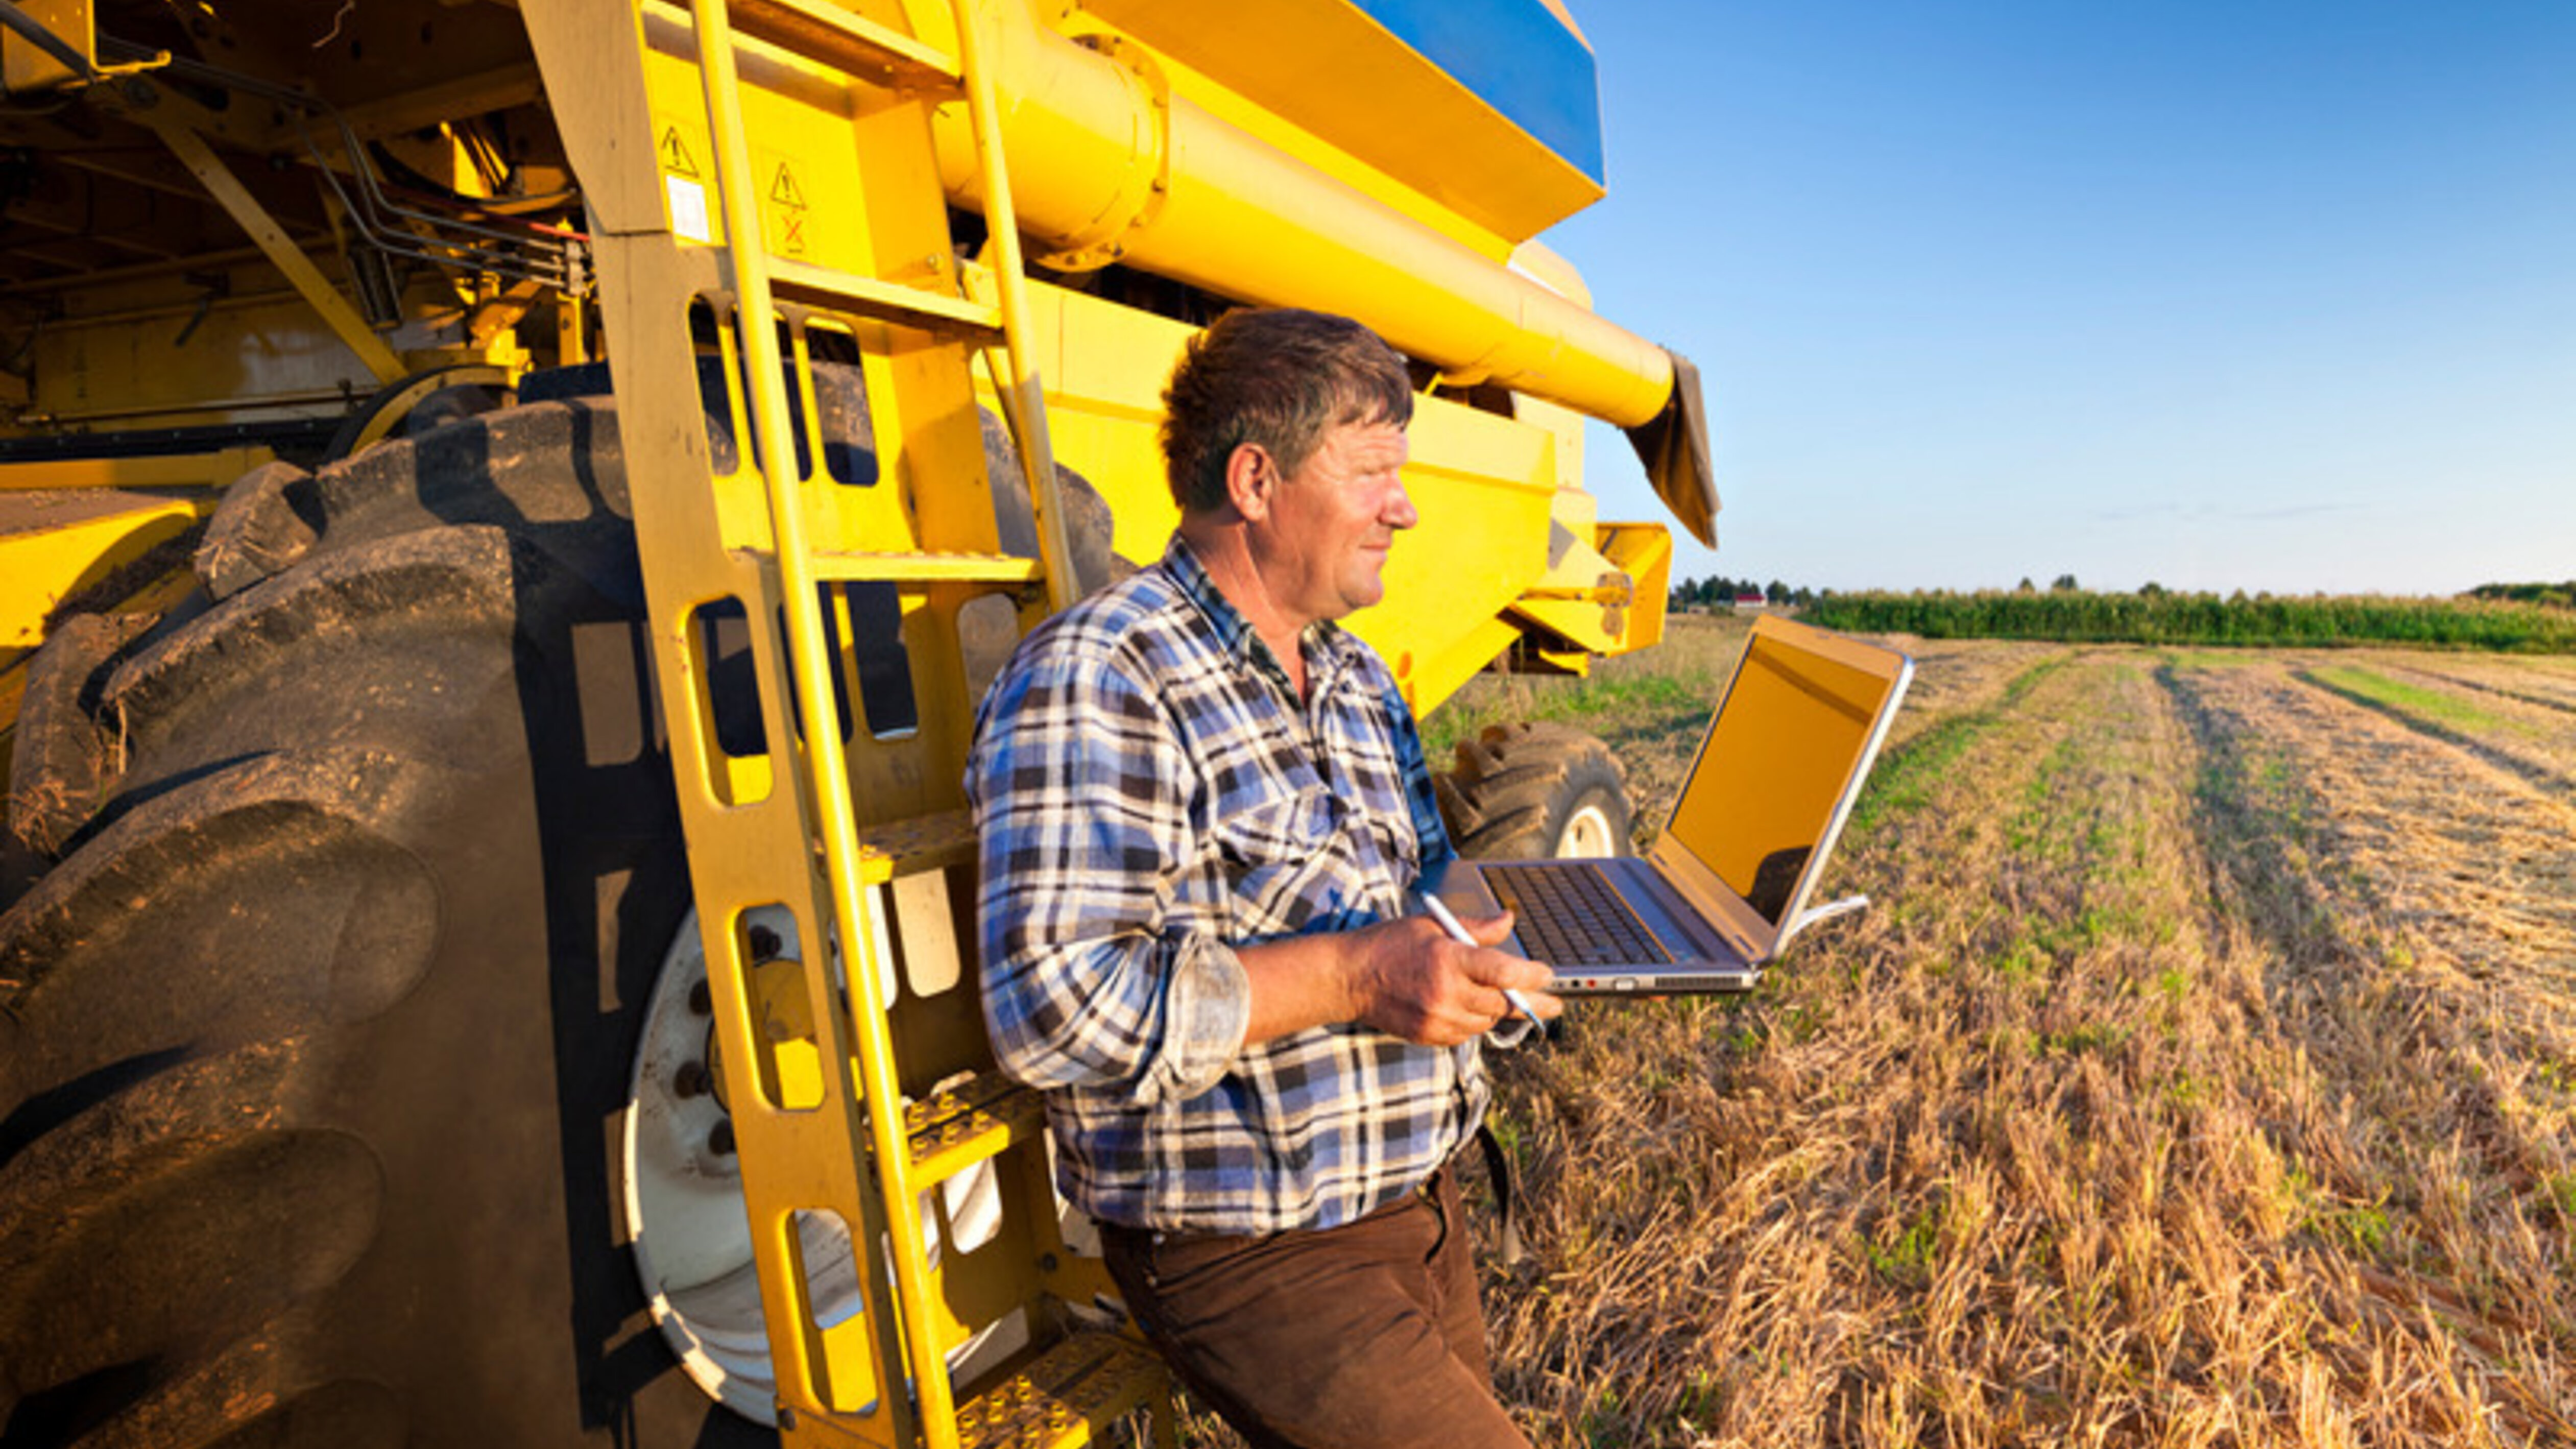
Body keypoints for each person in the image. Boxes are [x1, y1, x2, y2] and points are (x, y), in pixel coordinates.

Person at [966, 307, 1560, 1448]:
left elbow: (1423, 883)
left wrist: (1515, 936)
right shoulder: (1103, 674)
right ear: (1254, 480)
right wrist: (1352, 977)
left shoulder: (1354, 676)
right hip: (1252, 1243)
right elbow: (1052, 1010)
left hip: (1418, 1198)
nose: (1407, 505)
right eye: (1376, 472)